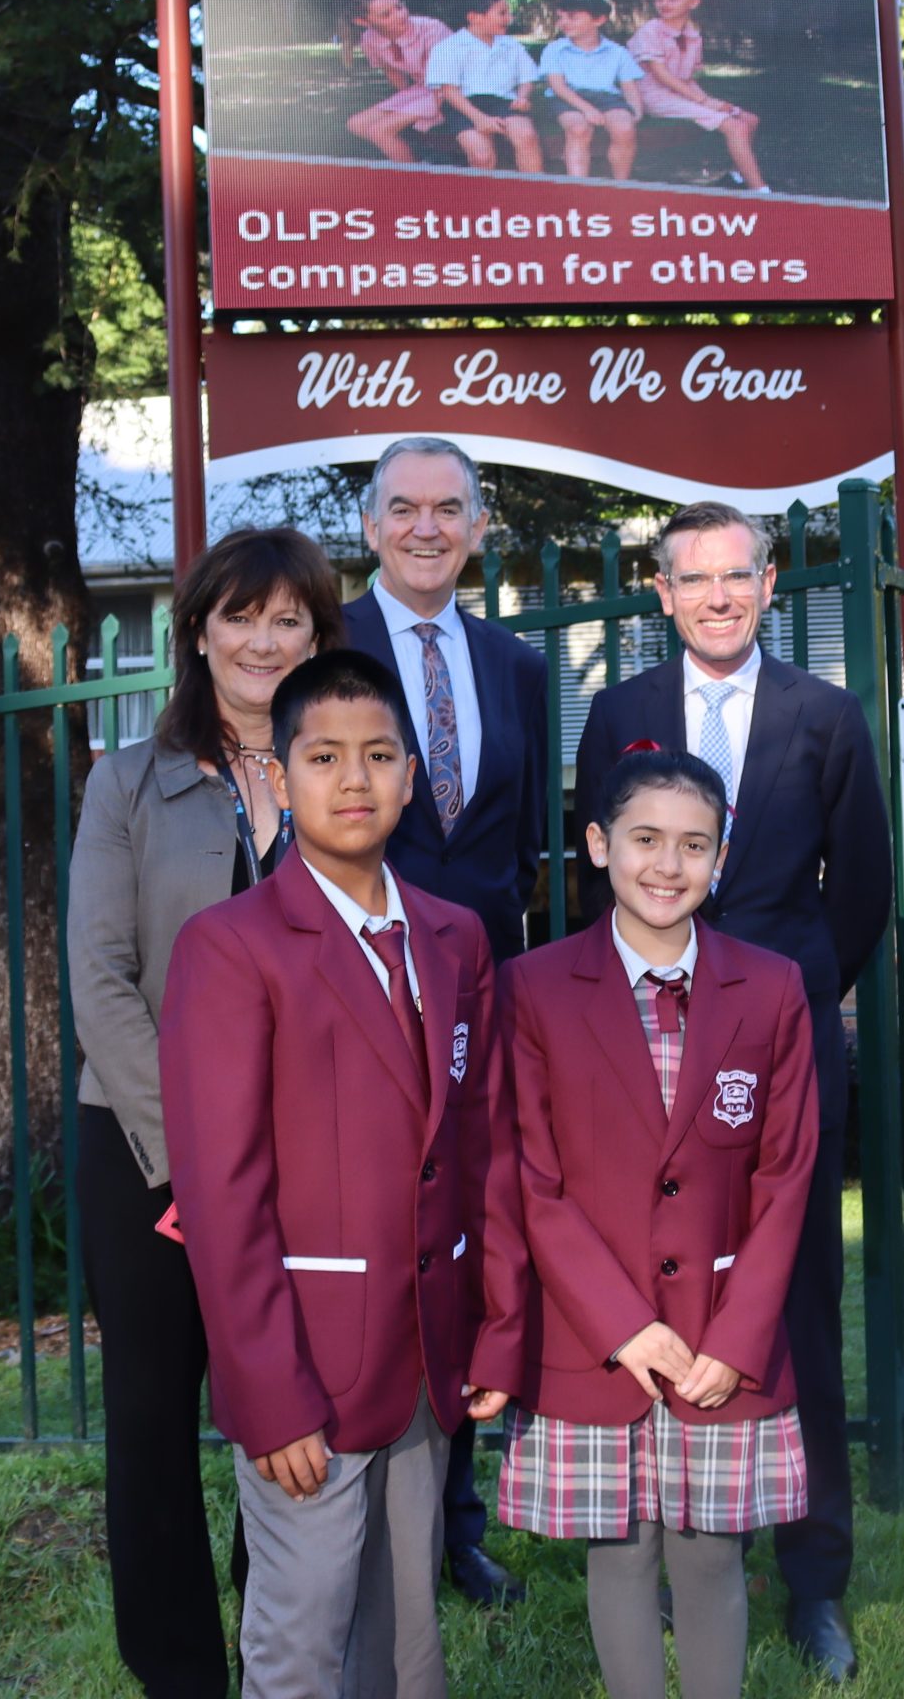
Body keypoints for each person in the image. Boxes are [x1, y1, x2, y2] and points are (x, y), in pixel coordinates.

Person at [571, 499, 891, 1682]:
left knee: (793, 1305)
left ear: (768, 582)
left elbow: (860, 889)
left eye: (736, 574)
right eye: (693, 577)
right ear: (660, 592)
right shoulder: (619, 714)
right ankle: (677, 1561)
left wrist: (784, 1001)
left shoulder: (826, 715)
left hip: (781, 1046)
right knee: (661, 1293)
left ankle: (814, 1578)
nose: (717, 595)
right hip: (642, 1059)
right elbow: (599, 873)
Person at [165, 649, 520, 1699]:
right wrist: (267, 1394)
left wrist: (498, 1322)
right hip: (307, 1368)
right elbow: (222, 1195)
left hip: (428, 1353)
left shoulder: (455, 939)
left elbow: (486, 1143)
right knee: (303, 1634)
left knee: (408, 1639)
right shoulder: (230, 947)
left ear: (413, 776)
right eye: (323, 757)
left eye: (378, 755)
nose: (353, 778)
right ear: (280, 777)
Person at [66, 526, 346, 1699]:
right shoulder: (126, 780)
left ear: (319, 639)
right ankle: (178, 1669)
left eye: (289, 619)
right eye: (240, 615)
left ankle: (276, 1639)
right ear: (196, 631)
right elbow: (101, 979)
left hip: (307, 1152)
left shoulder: (346, 771)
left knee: (289, 1395)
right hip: (146, 1150)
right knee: (151, 1412)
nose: (263, 640)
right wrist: (194, 1165)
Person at [497, 749, 817, 1699]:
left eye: (693, 845)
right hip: (598, 1338)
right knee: (623, 1548)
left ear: (723, 857)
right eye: (645, 839)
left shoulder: (772, 989)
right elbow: (532, 1181)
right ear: (599, 845)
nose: (667, 866)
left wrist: (738, 1338)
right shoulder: (535, 988)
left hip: (722, 1336)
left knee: (712, 1551)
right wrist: (622, 1326)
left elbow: (786, 1178)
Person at [343, 435, 546, 1608]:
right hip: (361, 981)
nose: (427, 527)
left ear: (478, 527)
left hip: (483, 990)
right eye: (405, 507)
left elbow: (520, 842)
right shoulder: (328, 648)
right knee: (372, 1236)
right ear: (371, 525)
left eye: (449, 508)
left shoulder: (516, 664)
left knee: (465, 1240)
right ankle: (363, 1506)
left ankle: (453, 1520)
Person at [626, 0, 767, 193]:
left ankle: (737, 175)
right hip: (653, 95)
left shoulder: (692, 34)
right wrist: (705, 101)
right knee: (735, 126)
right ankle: (761, 191)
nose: (664, 4)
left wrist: (711, 102)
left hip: (681, 92)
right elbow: (662, 76)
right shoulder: (650, 31)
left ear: (693, 2)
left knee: (749, 119)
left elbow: (687, 78)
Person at [424, 0, 543, 173]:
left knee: (526, 136)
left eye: (508, 13)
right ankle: (484, 190)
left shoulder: (511, 45)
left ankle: (535, 187)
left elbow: (527, 77)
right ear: (474, 17)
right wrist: (479, 118)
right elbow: (449, 91)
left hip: (504, 102)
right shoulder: (448, 47)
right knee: (482, 156)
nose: (509, 18)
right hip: (464, 106)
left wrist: (522, 97)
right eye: (502, 13)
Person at [537, 0, 645, 180]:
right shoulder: (554, 50)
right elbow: (558, 87)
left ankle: (622, 183)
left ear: (599, 20)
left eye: (572, 17)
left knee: (625, 129)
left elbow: (629, 86)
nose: (564, 23)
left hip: (606, 99)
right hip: (567, 98)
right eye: (560, 18)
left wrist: (636, 112)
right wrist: (587, 109)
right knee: (579, 128)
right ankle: (579, 185)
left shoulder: (617, 52)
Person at [342, 0, 453, 165]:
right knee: (356, 124)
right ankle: (417, 158)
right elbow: (391, 70)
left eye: (399, 7)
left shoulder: (431, 29)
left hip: (451, 88)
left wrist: (410, 112)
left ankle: (414, 174)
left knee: (380, 130)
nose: (400, 15)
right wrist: (404, 101)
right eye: (386, 15)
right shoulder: (369, 39)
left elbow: (445, 81)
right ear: (363, 21)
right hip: (423, 88)